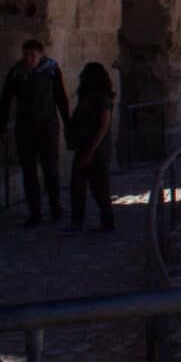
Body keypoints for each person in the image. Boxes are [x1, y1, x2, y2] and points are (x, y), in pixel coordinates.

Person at [0, 39, 71, 228]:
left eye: (33, 55)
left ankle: (55, 207)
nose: (29, 59)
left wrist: (67, 122)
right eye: (26, 55)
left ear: (41, 55)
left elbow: (60, 97)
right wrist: (2, 127)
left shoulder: (50, 70)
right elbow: (5, 100)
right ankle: (35, 212)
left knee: (50, 169)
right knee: (28, 171)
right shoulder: (17, 72)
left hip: (48, 126)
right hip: (25, 128)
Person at [63, 63, 115, 234]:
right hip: (84, 146)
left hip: (96, 150)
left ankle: (107, 221)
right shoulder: (87, 97)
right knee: (77, 185)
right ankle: (77, 222)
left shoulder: (103, 99)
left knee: (99, 187)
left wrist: (91, 151)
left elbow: (103, 127)